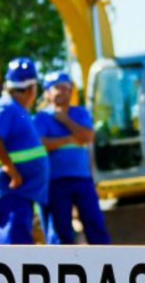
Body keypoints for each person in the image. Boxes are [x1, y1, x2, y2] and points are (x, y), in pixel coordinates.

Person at [35, 69, 111, 245]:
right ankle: (61, 265)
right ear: (47, 92)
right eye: (56, 88)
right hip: (56, 181)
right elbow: (42, 144)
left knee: (94, 223)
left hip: (82, 180)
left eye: (65, 88)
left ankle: (106, 261)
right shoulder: (42, 117)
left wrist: (65, 120)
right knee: (60, 228)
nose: (61, 91)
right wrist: (69, 139)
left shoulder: (80, 113)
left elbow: (88, 136)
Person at [0, 57, 49, 245]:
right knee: (14, 249)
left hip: (18, 195)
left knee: (18, 247)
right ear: (30, 89)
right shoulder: (7, 106)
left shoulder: (16, 108)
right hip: (10, 195)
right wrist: (10, 168)